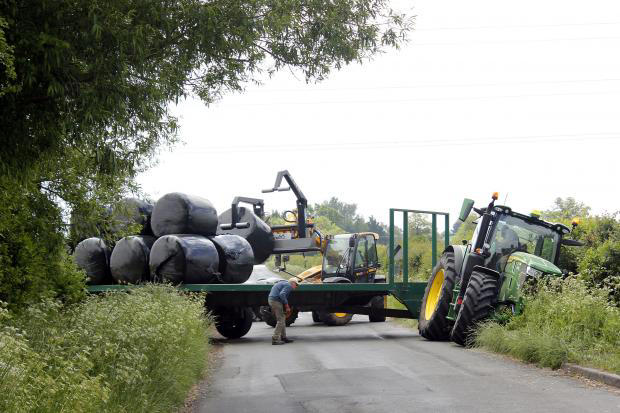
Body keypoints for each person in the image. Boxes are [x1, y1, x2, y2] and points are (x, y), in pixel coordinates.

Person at [267, 278, 299, 345]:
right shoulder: (288, 285)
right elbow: (282, 294)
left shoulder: (284, 283)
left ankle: (283, 337)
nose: (296, 287)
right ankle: (275, 339)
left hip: (273, 300)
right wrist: (287, 306)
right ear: (292, 283)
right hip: (275, 301)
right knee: (281, 320)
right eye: (296, 285)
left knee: (282, 318)